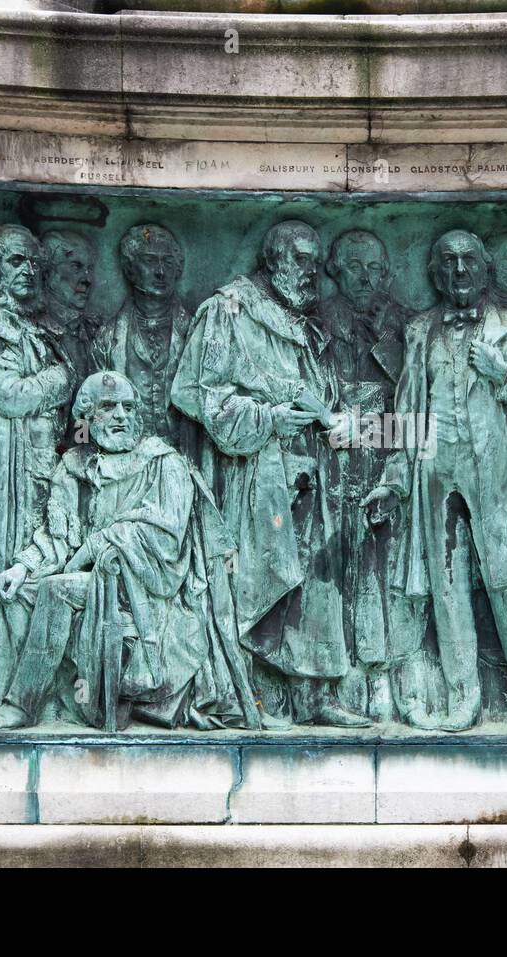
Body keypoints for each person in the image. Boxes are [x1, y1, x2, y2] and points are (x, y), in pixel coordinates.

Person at [0, 372, 259, 732]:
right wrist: (20, 567)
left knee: (55, 590)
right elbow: (58, 537)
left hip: (147, 590)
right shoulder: (74, 467)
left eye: (128, 407)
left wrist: (101, 543)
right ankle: (26, 702)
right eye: (109, 407)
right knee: (16, 595)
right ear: (88, 417)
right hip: (92, 580)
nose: (121, 416)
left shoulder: (163, 462)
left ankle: (22, 706)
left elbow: (168, 537)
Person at [363, 229, 507, 732]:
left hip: (500, 477)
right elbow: (406, 412)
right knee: (447, 589)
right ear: (435, 274)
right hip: (437, 477)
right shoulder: (419, 331)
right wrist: (393, 481)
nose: (458, 271)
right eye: (447, 262)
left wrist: (502, 373)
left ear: (485, 269)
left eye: (468, 261)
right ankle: (462, 701)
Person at [172, 220, 369, 728]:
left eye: (316, 261)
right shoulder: (228, 309)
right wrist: (268, 418)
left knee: (316, 581)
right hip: (251, 471)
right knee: (259, 578)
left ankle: (314, 694)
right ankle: (250, 697)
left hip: (310, 472)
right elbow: (194, 393)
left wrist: (336, 416)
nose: (313, 272)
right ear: (273, 258)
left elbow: (322, 391)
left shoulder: (303, 322)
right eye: (302, 259)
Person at [319, 229, 434, 727]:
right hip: (332, 474)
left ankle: (398, 676)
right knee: (342, 576)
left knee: (395, 577)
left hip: (397, 469)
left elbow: (426, 418)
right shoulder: (315, 325)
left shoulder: (411, 329)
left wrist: (372, 433)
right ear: (334, 271)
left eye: (374, 269)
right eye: (353, 268)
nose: (364, 279)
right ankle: (345, 679)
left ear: (388, 275)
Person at [0, 224, 73, 712]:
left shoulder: (36, 328)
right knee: (6, 570)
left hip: (41, 464)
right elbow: (8, 396)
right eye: (15, 262)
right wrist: (62, 378)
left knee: (40, 560)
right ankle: (2, 692)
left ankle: (38, 697)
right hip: (1, 469)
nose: (29, 272)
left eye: (34, 264)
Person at [92, 224, 192, 446]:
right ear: (129, 269)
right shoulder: (106, 338)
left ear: (178, 270)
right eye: (149, 261)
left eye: (167, 262)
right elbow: (92, 410)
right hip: (127, 458)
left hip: (182, 455)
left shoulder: (196, 332)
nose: (160, 271)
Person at [40, 230, 104, 384]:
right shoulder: (32, 326)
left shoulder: (95, 328)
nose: (87, 279)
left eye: (90, 269)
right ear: (48, 272)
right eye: (76, 267)